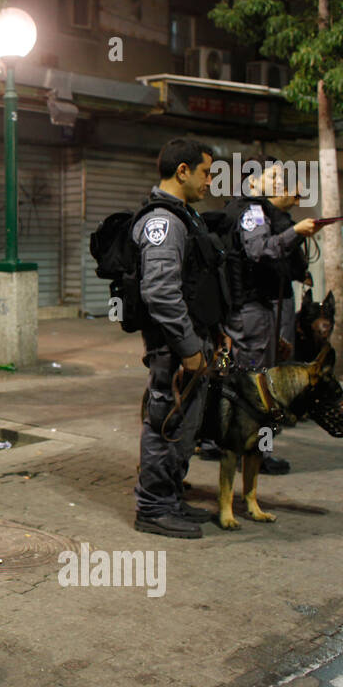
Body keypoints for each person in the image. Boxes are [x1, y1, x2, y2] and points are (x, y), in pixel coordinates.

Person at [134, 138, 229, 539]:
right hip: (174, 347)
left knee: (185, 425)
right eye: (206, 172)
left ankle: (170, 499)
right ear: (183, 171)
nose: (210, 181)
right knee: (165, 423)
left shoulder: (185, 216)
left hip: (195, 338)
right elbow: (159, 292)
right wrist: (189, 347)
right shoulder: (163, 222)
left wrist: (215, 335)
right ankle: (153, 508)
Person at [205, 158, 319, 474]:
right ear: (253, 184)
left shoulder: (245, 209)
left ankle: (229, 444)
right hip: (252, 310)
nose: (280, 180)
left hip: (245, 310)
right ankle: (255, 455)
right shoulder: (253, 212)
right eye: (273, 176)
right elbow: (260, 251)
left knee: (240, 380)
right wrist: (295, 231)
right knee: (258, 385)